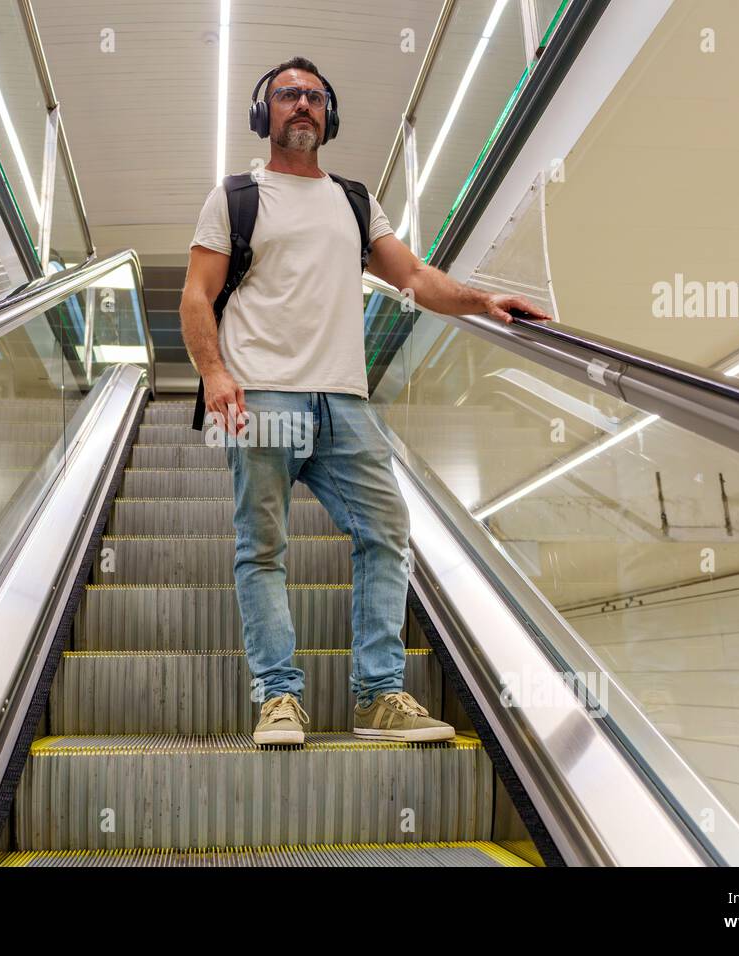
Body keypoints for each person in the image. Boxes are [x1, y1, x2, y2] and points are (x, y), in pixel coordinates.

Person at [180, 56, 554, 745]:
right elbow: (196, 296)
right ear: (265, 114)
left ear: (330, 116)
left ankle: (378, 697)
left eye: (315, 97)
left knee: (387, 531)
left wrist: (482, 301)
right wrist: (214, 372)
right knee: (262, 547)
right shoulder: (236, 194)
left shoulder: (354, 201)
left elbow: (412, 274)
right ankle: (278, 698)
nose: (302, 105)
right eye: (289, 95)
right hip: (265, 393)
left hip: (345, 400)